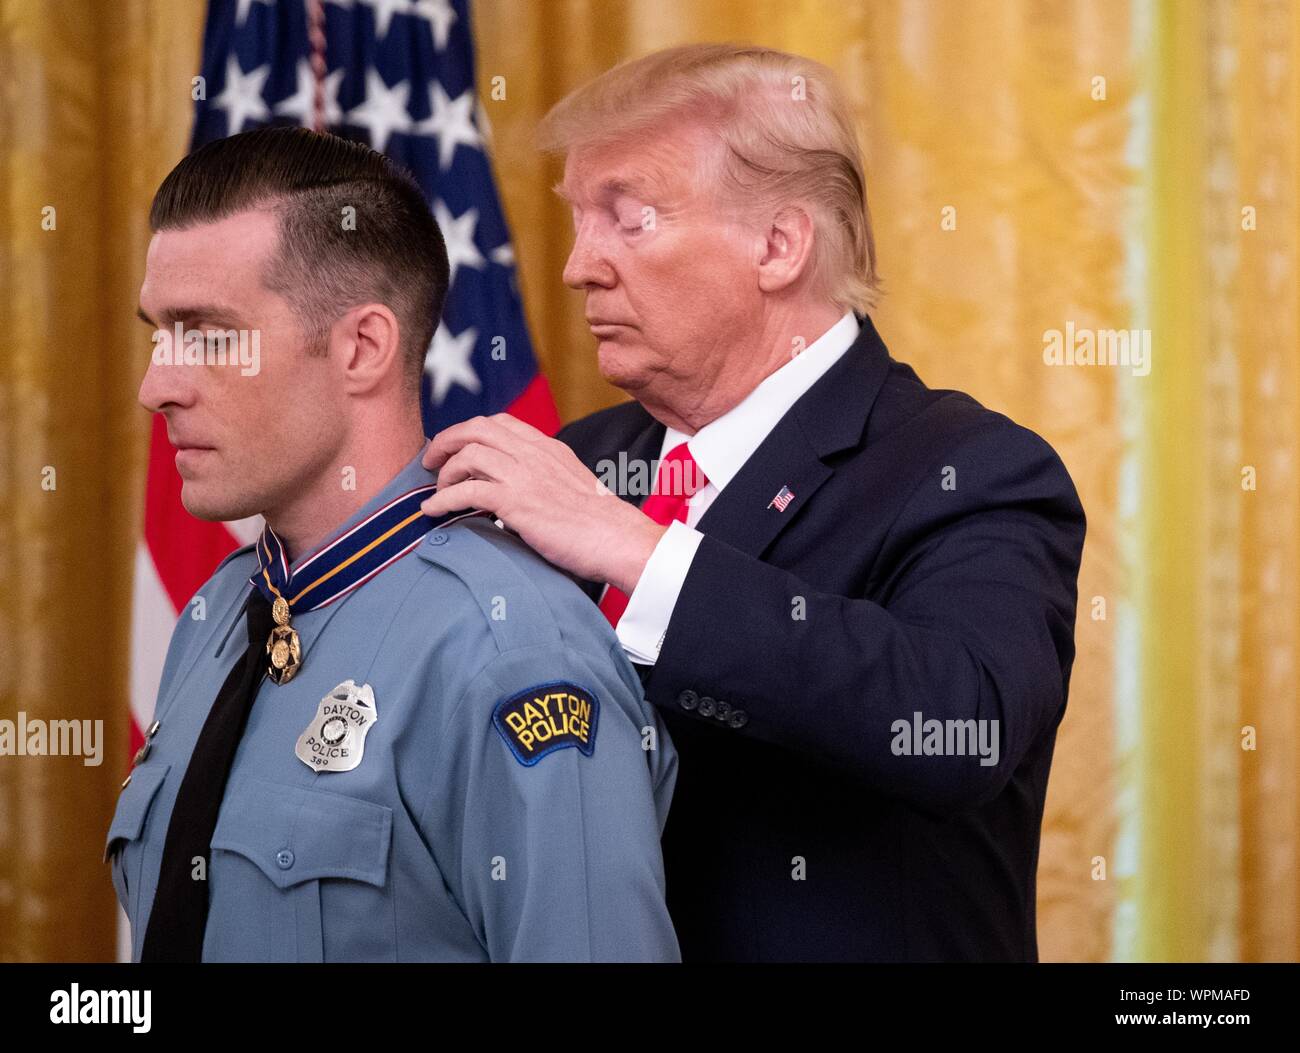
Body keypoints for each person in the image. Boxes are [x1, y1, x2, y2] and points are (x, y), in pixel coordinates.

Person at [420, 44, 1087, 961]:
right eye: (578, 222)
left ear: (779, 245)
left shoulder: (972, 468)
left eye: (629, 219)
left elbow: (958, 724)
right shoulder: (577, 463)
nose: (578, 267)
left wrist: (637, 553)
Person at [107, 125, 678, 963]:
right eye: (158, 333)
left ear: (363, 347)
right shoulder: (215, 613)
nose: (157, 384)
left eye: (207, 335)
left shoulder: (510, 652)